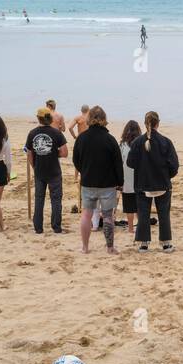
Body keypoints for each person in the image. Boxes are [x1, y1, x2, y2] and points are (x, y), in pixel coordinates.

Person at [72, 105, 123, 254]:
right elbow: (118, 164)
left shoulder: (81, 138)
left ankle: (85, 247)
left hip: (88, 182)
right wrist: (120, 182)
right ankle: (110, 247)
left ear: (89, 119)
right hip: (107, 184)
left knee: (86, 214)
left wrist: (84, 171)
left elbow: (76, 160)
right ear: (104, 119)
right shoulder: (110, 140)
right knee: (107, 216)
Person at [126, 110, 179, 252]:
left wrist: (141, 168)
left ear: (145, 124)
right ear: (158, 123)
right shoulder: (165, 142)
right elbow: (174, 165)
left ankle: (143, 244)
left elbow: (130, 162)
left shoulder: (137, 142)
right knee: (164, 215)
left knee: (143, 214)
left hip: (143, 184)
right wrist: (166, 176)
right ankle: (166, 244)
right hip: (162, 184)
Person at [24, 107, 68, 234]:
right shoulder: (57, 133)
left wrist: (34, 166)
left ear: (38, 118)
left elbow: (29, 154)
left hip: (39, 171)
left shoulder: (32, 133)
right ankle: (56, 227)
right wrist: (54, 153)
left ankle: (38, 228)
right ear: (50, 118)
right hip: (54, 170)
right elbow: (64, 153)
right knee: (56, 200)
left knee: (39, 199)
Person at [120, 119, 142, 233]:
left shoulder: (123, 145)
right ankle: (141, 226)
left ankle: (130, 228)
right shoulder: (141, 144)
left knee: (129, 205)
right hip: (139, 178)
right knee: (139, 205)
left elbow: (119, 162)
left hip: (126, 179)